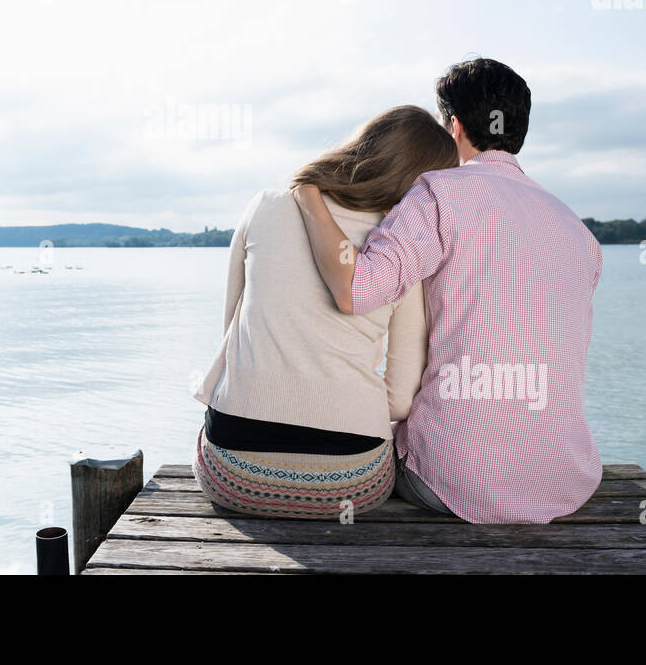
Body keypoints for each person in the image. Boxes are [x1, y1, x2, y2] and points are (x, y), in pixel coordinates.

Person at [293, 58, 603, 523]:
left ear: (453, 125)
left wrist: (308, 194)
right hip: (567, 480)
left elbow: (357, 289)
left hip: (453, 480)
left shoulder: (438, 193)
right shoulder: (577, 230)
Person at [192, 106, 458, 519]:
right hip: (351, 482)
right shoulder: (403, 250)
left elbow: (232, 331)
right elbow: (401, 397)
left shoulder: (266, 206)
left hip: (234, 474)